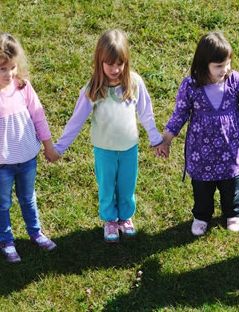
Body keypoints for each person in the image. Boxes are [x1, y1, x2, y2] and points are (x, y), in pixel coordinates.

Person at [157, 31, 239, 235]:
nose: (225, 69)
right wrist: (166, 140)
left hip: (229, 146)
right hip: (200, 149)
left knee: (231, 183)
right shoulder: (191, 86)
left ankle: (233, 212)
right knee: (202, 187)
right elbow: (180, 114)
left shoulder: (236, 81)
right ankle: (202, 216)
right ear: (204, 64)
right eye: (218, 66)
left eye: (227, 63)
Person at [54, 29, 164, 241]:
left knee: (127, 184)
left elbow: (146, 113)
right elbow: (76, 121)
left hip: (129, 148)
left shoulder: (134, 83)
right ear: (99, 61)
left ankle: (125, 217)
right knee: (106, 186)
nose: (115, 69)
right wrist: (59, 148)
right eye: (109, 64)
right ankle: (110, 220)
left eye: (120, 64)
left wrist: (155, 139)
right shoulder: (93, 89)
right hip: (104, 150)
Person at [0, 32, 60, 263]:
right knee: (2, 202)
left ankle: (35, 233)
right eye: (2, 69)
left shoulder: (23, 86)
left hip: (27, 158)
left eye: (13, 67)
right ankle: (6, 241)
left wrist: (48, 145)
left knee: (28, 198)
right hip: (0, 165)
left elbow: (38, 116)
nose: (9, 74)